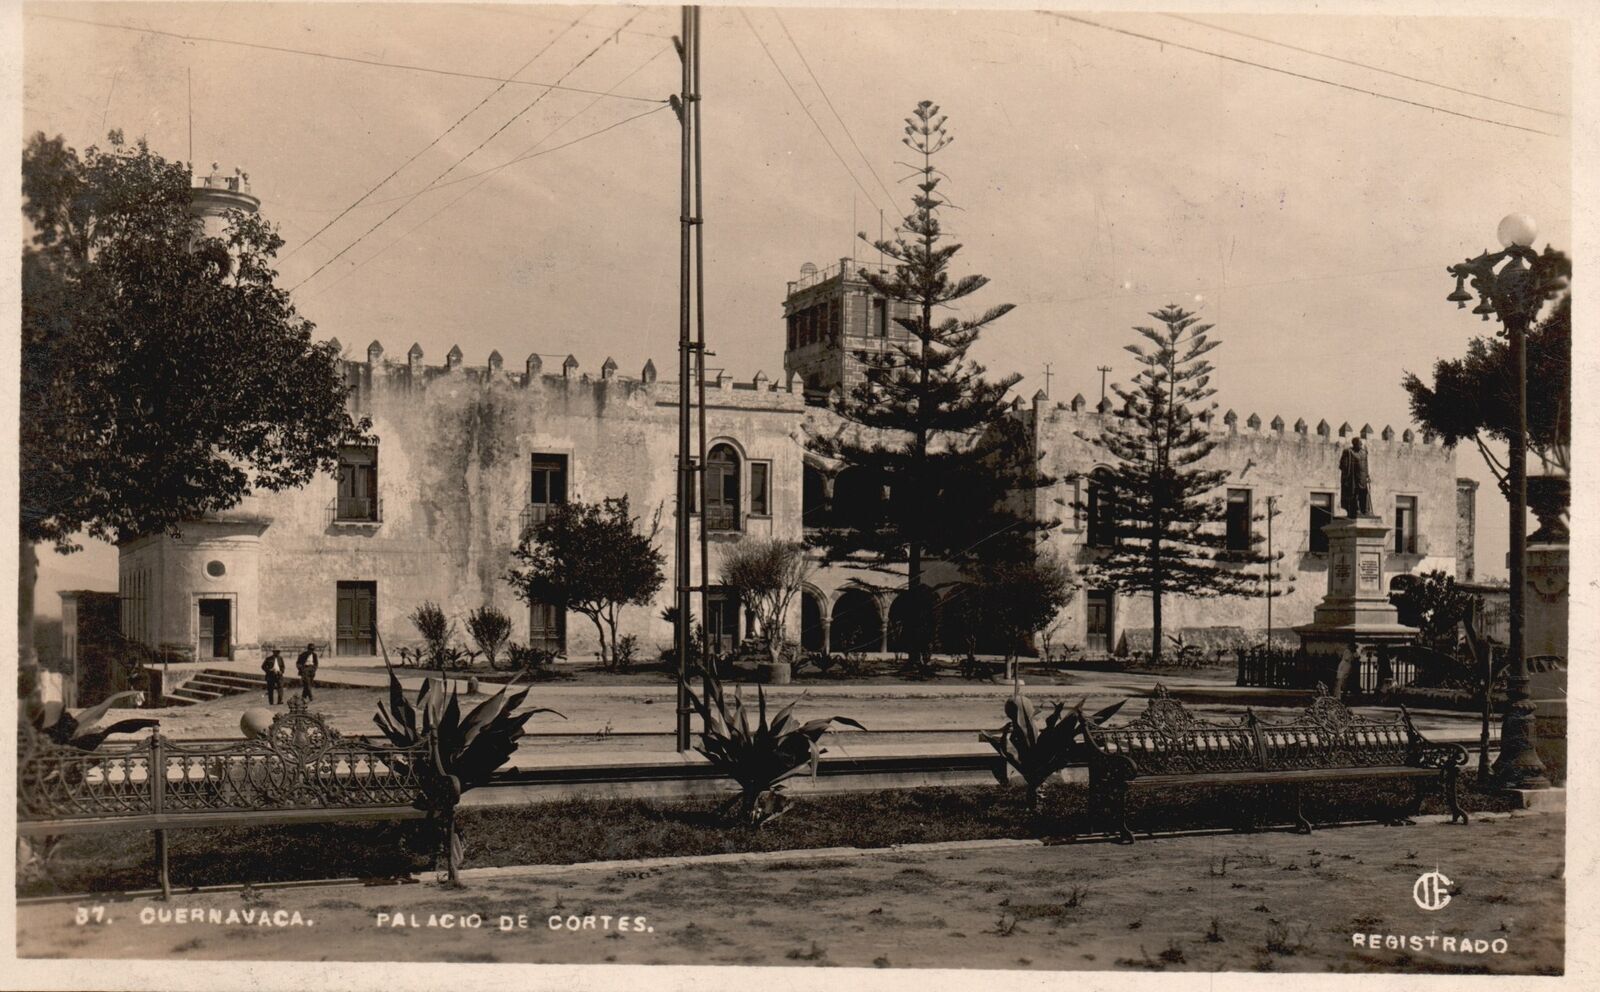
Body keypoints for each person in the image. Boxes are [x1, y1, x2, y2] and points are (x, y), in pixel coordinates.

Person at [1339, 437, 1372, 518]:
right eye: (1359, 443)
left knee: (1364, 494)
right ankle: (1355, 510)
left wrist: (1367, 476)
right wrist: (1346, 475)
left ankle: (1364, 511)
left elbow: (1366, 465)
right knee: (1354, 495)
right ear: (1354, 443)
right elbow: (1342, 465)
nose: (1361, 444)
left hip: (1363, 478)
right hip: (1353, 478)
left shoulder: (1364, 452)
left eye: (1361, 443)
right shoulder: (1349, 452)